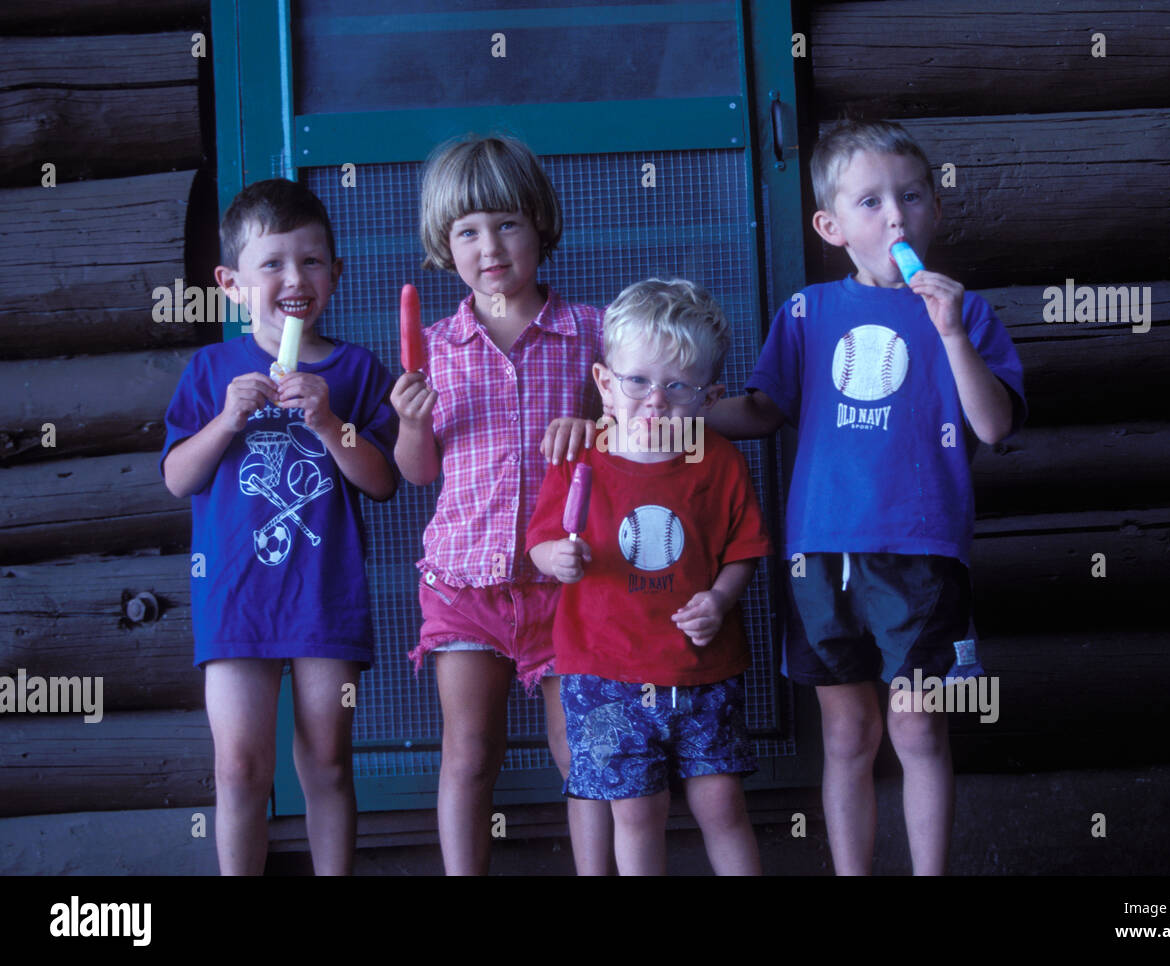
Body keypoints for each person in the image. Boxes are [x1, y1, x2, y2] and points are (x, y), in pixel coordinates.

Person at [706, 119, 1027, 875]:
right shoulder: (808, 311)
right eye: (871, 202)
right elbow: (761, 409)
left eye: (911, 198)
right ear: (831, 225)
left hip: (922, 555)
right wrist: (686, 413)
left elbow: (995, 425)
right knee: (847, 735)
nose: (895, 218)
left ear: (934, 212)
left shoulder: (966, 313)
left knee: (918, 731)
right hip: (820, 554)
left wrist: (949, 334)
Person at [162, 178, 398, 874]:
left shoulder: (355, 371)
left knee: (327, 759)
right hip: (234, 599)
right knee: (238, 769)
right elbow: (179, 478)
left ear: (336, 273)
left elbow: (382, 481)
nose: (295, 278)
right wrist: (227, 420)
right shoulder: (209, 371)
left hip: (324, 596)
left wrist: (328, 421)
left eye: (313, 260)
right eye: (273, 264)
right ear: (232, 283)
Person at [392, 135, 613, 875]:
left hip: (567, 584)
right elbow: (416, 472)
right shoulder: (434, 346)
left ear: (540, 224)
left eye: (507, 223)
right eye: (467, 231)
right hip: (463, 583)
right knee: (469, 753)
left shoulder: (590, 332)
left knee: (579, 749)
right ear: (443, 245)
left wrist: (598, 429)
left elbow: (630, 441)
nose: (490, 246)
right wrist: (415, 423)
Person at [527, 278, 772, 875]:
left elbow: (743, 549)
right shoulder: (578, 458)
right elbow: (539, 542)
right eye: (637, 381)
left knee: (721, 802)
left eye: (677, 386)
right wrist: (555, 558)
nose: (655, 401)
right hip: (603, 670)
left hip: (701, 671)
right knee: (638, 810)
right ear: (605, 383)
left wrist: (719, 596)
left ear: (709, 397)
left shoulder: (717, 461)